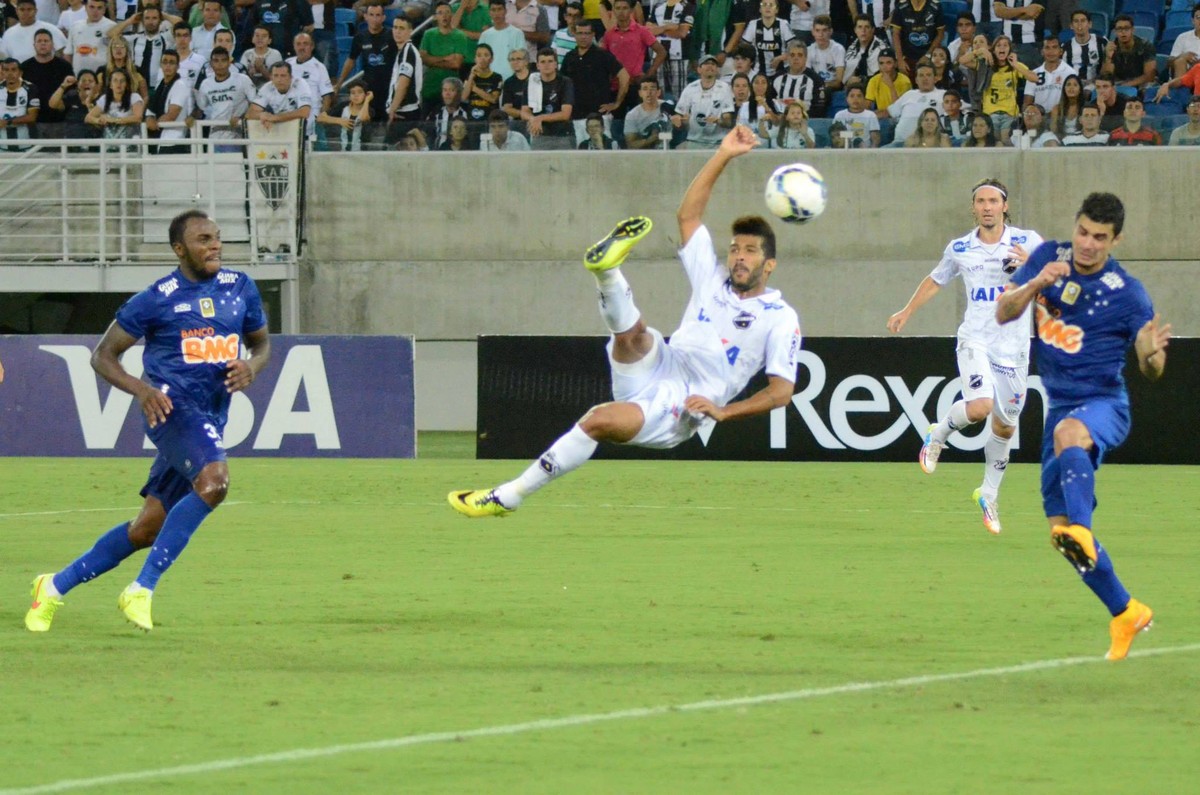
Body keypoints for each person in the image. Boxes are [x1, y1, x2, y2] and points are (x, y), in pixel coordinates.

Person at [449, 124, 801, 519]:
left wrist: (724, 412)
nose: (738, 256)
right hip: (664, 360)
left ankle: (507, 495)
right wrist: (723, 154)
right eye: (735, 247)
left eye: (750, 251)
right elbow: (688, 216)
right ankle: (607, 272)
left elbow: (780, 392)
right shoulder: (713, 277)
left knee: (597, 420)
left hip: (684, 403)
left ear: (769, 265)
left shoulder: (781, 317)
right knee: (634, 336)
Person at [24, 210, 270, 634]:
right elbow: (102, 354)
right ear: (179, 249)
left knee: (146, 530)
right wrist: (142, 389)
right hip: (171, 410)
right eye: (203, 239)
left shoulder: (239, 288)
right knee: (215, 482)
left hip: (211, 415)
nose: (214, 245)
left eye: (217, 238)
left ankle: (52, 586)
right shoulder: (157, 297)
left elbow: (262, 345)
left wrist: (253, 366)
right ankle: (142, 588)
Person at [994, 192, 1170, 661]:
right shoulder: (1048, 257)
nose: (1088, 244)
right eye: (1083, 232)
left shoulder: (1127, 293)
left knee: (1069, 437)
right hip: (1059, 409)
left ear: (1116, 240)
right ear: (1075, 227)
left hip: (1104, 405)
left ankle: (1085, 530)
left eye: (1100, 238)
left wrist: (1151, 353)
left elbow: (1151, 368)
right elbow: (1003, 312)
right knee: (1061, 533)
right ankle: (1126, 610)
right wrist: (1036, 284)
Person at [887, 179, 1043, 535]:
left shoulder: (1028, 241)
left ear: (1005, 206)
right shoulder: (960, 247)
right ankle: (937, 434)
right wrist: (907, 311)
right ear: (973, 208)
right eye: (980, 201)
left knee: (1005, 427)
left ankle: (988, 493)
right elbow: (935, 280)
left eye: (993, 200)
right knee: (979, 408)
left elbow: (1060, 272)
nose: (987, 206)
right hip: (976, 339)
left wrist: (1032, 264)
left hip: (1014, 347)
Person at [672, 52, 734, 148]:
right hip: (694, 141)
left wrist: (718, 121)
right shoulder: (690, 88)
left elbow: (728, 121)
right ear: (699, 69)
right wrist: (679, 120)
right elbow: (679, 117)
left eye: (713, 64)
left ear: (717, 70)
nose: (710, 66)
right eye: (706, 64)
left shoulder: (724, 88)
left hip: (718, 142)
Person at [521, 46, 574, 148]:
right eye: (543, 62)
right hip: (540, 135)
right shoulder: (531, 83)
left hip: (563, 136)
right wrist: (533, 119)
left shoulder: (565, 82)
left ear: (555, 64)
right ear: (537, 65)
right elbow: (524, 112)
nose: (546, 65)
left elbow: (565, 114)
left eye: (550, 61)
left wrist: (540, 118)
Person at [19, 27, 70, 127]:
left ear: (52, 44)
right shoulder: (25, 67)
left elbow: (70, 92)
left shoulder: (64, 66)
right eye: (39, 41)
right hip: (33, 120)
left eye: (46, 41)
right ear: (34, 45)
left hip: (59, 120)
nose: (43, 44)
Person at [644, 0, 692, 101]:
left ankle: (678, 115)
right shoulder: (658, 5)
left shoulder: (687, 5)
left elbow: (682, 33)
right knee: (657, 91)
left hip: (679, 55)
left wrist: (658, 30)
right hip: (657, 55)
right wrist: (667, 27)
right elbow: (648, 31)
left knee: (680, 95)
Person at [885, 60, 942, 142]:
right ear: (916, 80)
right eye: (921, 75)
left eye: (928, 75)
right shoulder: (909, 94)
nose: (925, 78)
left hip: (929, 145)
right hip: (900, 143)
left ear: (935, 79)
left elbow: (961, 107)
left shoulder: (944, 95)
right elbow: (890, 112)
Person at [1100, 14, 1155, 91]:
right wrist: (1108, 57)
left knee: (1147, 89)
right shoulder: (1111, 47)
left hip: (1141, 81)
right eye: (1119, 29)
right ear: (1115, 31)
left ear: (1132, 30)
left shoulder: (1145, 46)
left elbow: (1149, 75)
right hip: (1119, 81)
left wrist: (1125, 86)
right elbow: (1106, 76)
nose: (1123, 32)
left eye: (1126, 28)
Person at [3, 0, 68, 65]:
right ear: (16, 11)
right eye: (22, 10)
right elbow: (5, 59)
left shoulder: (50, 29)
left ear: (35, 11)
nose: (26, 13)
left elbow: (64, 53)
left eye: (29, 9)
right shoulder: (8, 34)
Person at [889, 0, 943, 77]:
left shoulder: (936, 6)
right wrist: (900, 60)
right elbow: (895, 34)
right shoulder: (901, 6)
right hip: (906, 57)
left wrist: (927, 55)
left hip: (928, 56)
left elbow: (940, 34)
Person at [772, 40, 826, 117]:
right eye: (792, 55)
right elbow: (771, 101)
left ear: (805, 58)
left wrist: (800, 118)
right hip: (781, 122)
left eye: (800, 55)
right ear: (787, 57)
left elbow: (818, 109)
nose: (796, 58)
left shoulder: (815, 79)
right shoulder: (777, 77)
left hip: (805, 122)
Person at [1025, 36, 1075, 113]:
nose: (1051, 51)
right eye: (1047, 48)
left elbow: (1073, 102)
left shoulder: (1070, 73)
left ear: (1061, 51)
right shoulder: (1033, 74)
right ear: (1042, 52)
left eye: (1054, 47)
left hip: (1061, 118)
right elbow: (1027, 102)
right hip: (1038, 119)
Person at [479, 0, 525, 81]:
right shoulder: (485, 35)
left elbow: (522, 59)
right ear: (489, 12)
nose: (496, 13)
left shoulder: (517, 33)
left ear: (505, 11)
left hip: (512, 79)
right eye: (493, 10)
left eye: (499, 9)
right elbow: (480, 59)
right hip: (490, 80)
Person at [623, 73, 672, 148]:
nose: (649, 93)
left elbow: (682, 125)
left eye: (652, 88)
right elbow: (631, 144)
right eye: (645, 89)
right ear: (640, 93)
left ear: (658, 92)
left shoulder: (669, 106)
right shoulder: (632, 115)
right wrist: (650, 139)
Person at [0, 57, 38, 148]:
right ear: (2, 72)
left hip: (26, 145)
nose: (10, 73)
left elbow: (32, 117)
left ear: (20, 73)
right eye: (6, 70)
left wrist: (7, 122)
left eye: (13, 70)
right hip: (2, 146)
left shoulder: (30, 88)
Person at [1063, 9, 1105, 89]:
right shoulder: (1066, 47)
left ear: (1090, 24)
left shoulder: (1102, 42)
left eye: (1083, 21)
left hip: (1097, 84)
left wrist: (1092, 81)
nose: (1079, 24)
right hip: (1073, 86)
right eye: (1076, 21)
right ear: (1071, 26)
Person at [844, 13, 886, 90]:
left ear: (873, 30)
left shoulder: (881, 49)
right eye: (860, 27)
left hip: (876, 88)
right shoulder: (851, 48)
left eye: (867, 27)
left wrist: (861, 80)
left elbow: (883, 76)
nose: (863, 31)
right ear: (855, 30)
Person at [866, 47, 910, 118]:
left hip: (899, 118)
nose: (884, 67)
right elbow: (867, 105)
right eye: (881, 63)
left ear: (895, 64)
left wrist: (891, 86)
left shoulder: (905, 81)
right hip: (881, 117)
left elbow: (898, 110)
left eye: (888, 63)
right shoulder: (874, 80)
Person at [1168, 4, 1200, 80]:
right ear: (1193, 21)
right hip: (1184, 73)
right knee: (1180, 61)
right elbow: (1169, 63)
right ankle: (1181, 91)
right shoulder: (1182, 37)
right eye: (1198, 18)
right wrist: (1183, 56)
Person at [1049, 72, 1083, 138]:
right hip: (1062, 142)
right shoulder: (1056, 109)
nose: (1071, 88)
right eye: (1068, 85)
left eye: (1075, 85)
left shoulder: (1086, 108)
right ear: (1064, 89)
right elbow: (1054, 131)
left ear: (1080, 90)